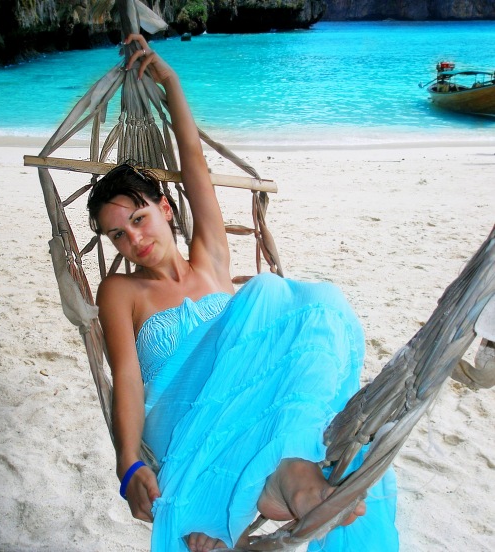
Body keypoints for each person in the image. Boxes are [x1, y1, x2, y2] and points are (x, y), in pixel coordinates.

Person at [87, 34, 398, 552]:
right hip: (182, 424)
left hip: (248, 406)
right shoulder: (120, 290)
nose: (133, 240)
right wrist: (128, 465)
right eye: (117, 234)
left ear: (166, 208)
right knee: (267, 290)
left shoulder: (211, 258)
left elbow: (193, 162)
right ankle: (277, 482)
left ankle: (286, 479)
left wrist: (172, 83)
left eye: (139, 219)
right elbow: (126, 378)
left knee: (323, 303)